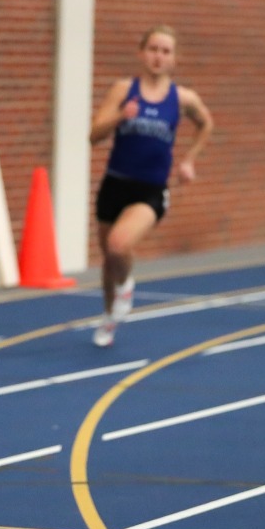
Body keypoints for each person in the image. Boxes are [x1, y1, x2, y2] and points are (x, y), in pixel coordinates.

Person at [89, 24, 213, 347]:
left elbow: (206, 123)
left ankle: (127, 283)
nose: (158, 57)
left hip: (151, 191)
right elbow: (94, 136)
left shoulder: (183, 98)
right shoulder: (123, 90)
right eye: (153, 49)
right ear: (142, 53)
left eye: (165, 51)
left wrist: (189, 160)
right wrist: (120, 116)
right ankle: (108, 317)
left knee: (119, 245)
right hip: (114, 185)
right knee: (108, 258)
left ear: (175, 58)